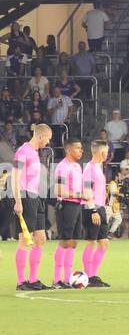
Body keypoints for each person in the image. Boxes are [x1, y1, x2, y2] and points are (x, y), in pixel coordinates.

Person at [13, 123, 53, 290]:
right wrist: (18, 201)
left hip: (36, 198)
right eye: (48, 140)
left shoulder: (35, 153)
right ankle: (21, 282)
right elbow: (15, 177)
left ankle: (33, 279)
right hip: (25, 197)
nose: (48, 143)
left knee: (40, 238)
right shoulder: (23, 151)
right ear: (41, 136)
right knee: (24, 240)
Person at [51, 139, 88, 289]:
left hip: (77, 205)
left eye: (81, 148)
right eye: (78, 148)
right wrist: (79, 194)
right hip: (66, 205)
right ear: (68, 150)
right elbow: (58, 190)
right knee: (65, 241)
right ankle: (56, 279)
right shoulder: (62, 167)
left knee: (73, 242)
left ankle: (67, 278)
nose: (81, 151)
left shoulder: (77, 167)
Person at [80, 140, 111, 287]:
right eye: (106, 151)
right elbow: (86, 190)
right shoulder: (89, 169)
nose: (107, 154)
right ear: (101, 152)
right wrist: (93, 209)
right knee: (91, 243)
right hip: (91, 209)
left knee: (104, 243)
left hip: (100, 208)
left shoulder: (98, 167)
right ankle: (89, 276)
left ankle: (94, 275)